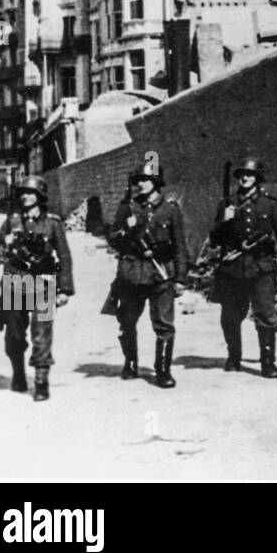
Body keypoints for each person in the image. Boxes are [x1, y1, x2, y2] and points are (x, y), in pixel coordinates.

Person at [209, 158, 277, 378]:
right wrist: (224, 222)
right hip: (233, 269)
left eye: (250, 174)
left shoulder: (270, 205)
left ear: (257, 178)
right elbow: (214, 240)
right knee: (230, 315)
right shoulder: (226, 204)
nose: (245, 178)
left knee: (266, 316)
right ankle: (234, 357)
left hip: (261, 268)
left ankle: (268, 362)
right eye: (241, 175)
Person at [0, 176, 73, 401]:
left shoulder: (52, 223)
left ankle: (41, 380)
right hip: (14, 285)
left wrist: (64, 289)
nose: (26, 196)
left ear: (40, 196)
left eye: (30, 193)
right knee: (14, 335)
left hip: (44, 286)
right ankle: (18, 372)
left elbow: (64, 257)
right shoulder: (11, 222)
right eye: (23, 193)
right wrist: (3, 248)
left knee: (42, 333)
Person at [107, 162, 188, 388]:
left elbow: (180, 245)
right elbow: (113, 239)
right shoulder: (127, 208)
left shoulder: (170, 209)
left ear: (156, 182)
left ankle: (163, 370)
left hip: (160, 274)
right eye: (137, 181)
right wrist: (127, 230)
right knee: (127, 321)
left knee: (164, 324)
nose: (140, 184)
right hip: (132, 274)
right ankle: (130, 363)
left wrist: (181, 278)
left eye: (145, 180)